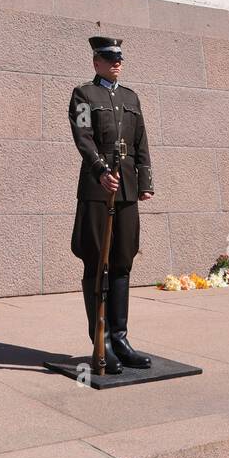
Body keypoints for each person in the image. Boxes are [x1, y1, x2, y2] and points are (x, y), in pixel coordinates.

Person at [68, 37, 155, 373]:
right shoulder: (83, 95)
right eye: (109, 58)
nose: (117, 63)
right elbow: (83, 136)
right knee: (96, 261)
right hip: (97, 188)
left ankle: (119, 337)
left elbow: (141, 142)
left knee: (122, 261)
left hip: (127, 190)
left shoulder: (131, 97)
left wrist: (144, 182)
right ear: (96, 62)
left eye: (119, 58)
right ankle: (100, 340)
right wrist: (101, 171)